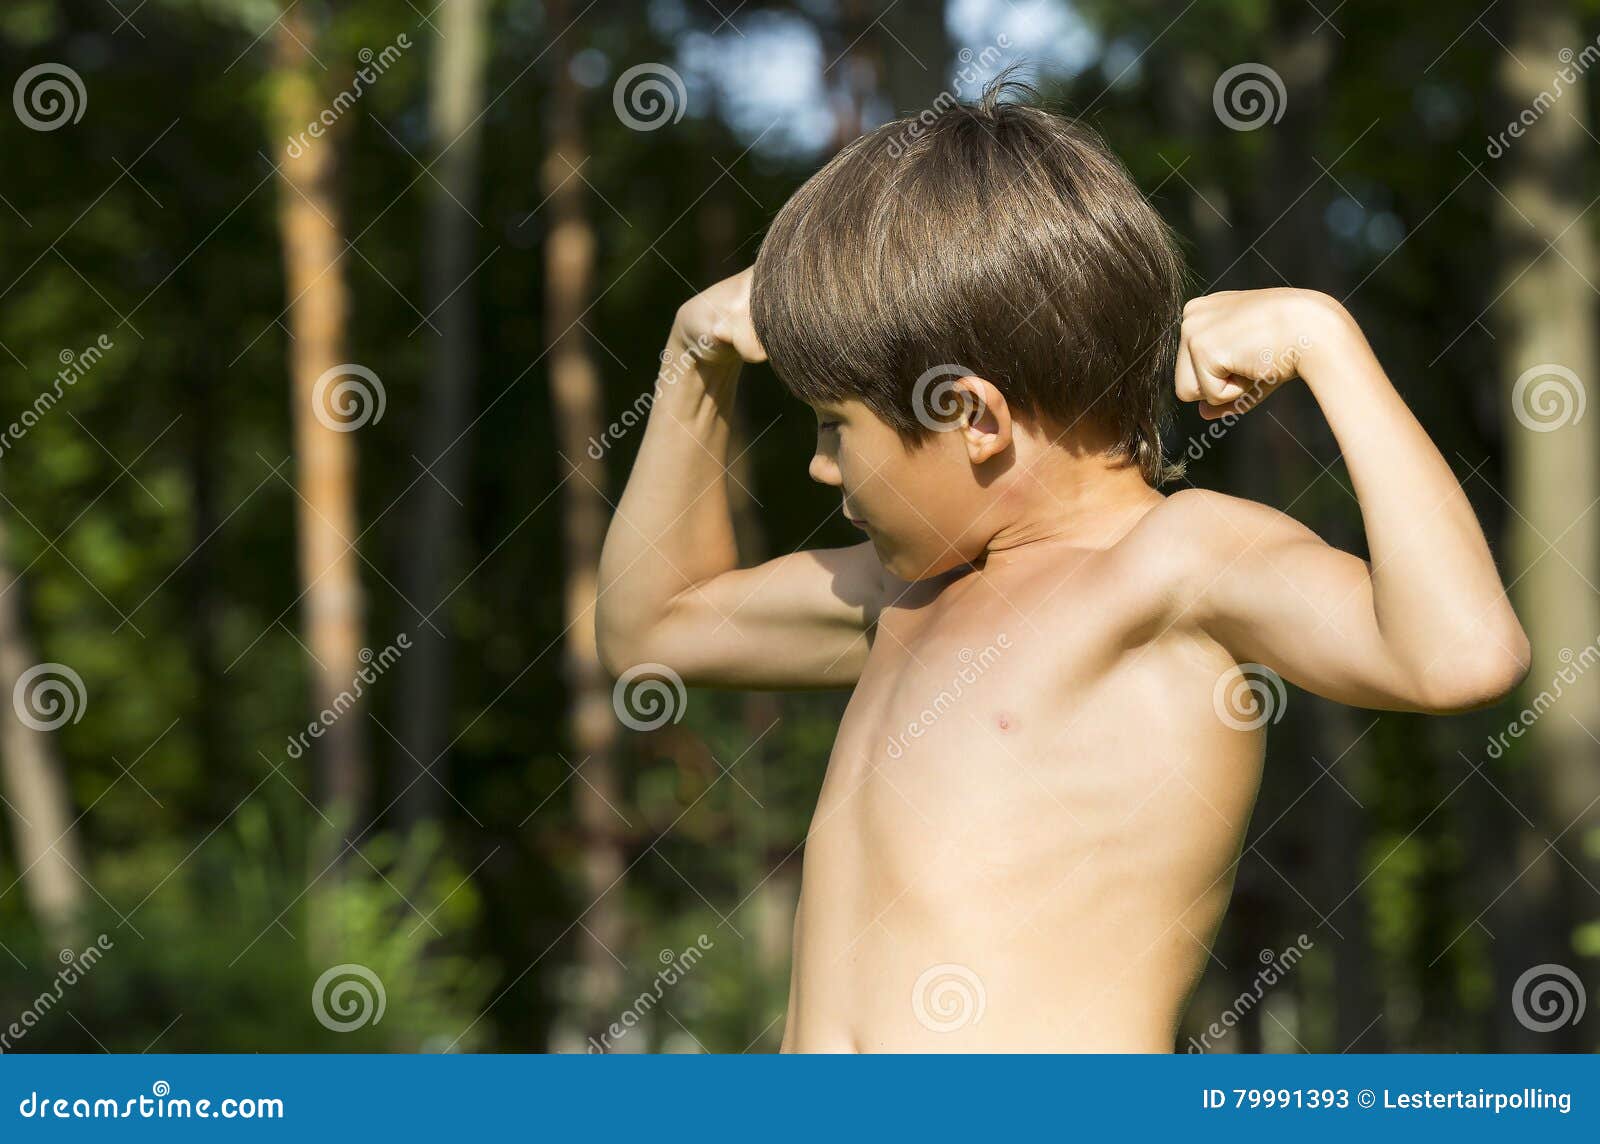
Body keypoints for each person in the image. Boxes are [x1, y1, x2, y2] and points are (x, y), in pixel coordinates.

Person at [594, 80, 1529, 1051]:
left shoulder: (1173, 562)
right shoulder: (904, 591)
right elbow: (652, 626)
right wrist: (692, 359)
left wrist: (1326, 344)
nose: (821, 464)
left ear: (973, 417)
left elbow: (1460, 655)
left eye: (835, 426)